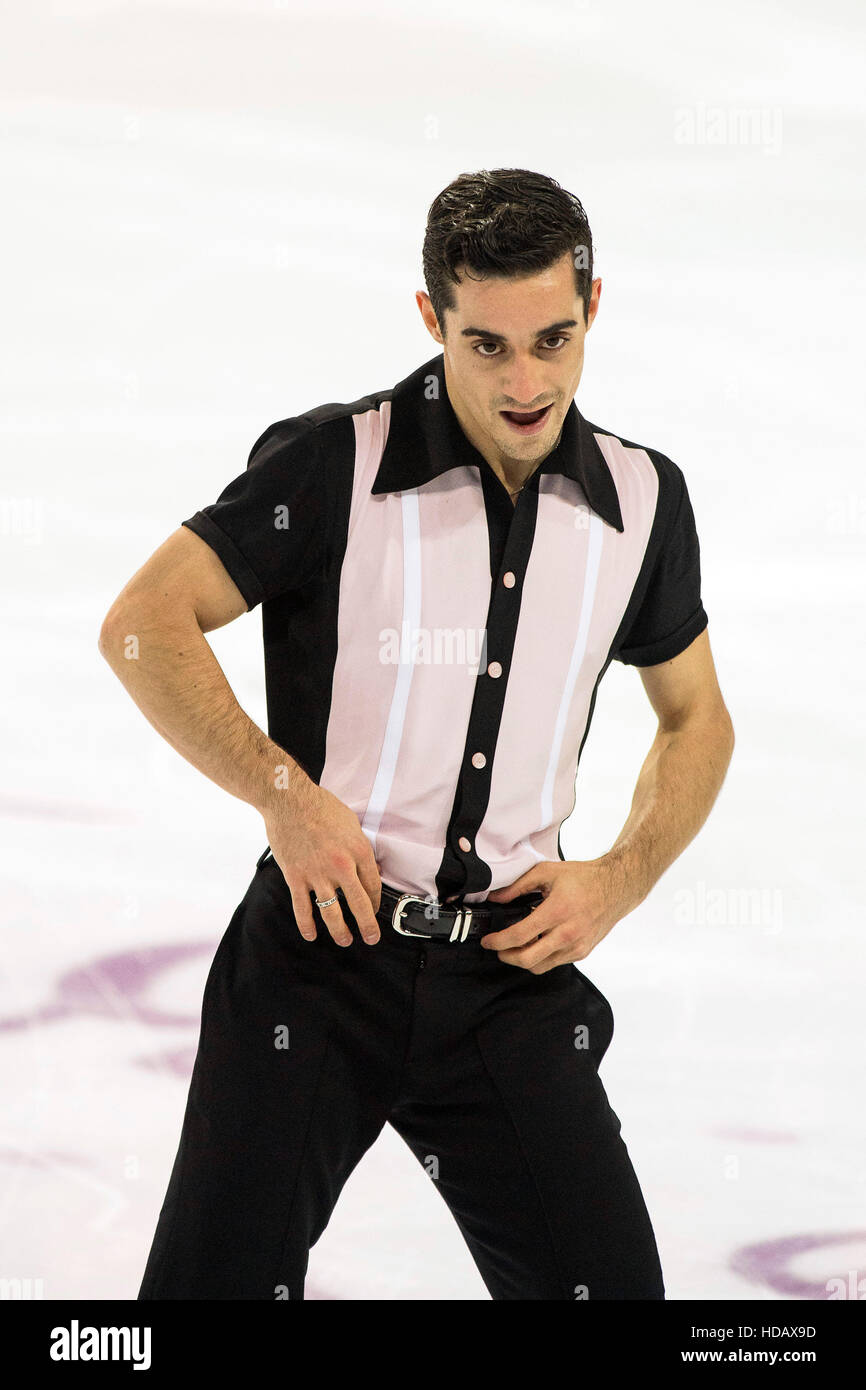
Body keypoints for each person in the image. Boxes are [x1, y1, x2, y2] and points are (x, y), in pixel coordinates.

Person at [99, 167, 735, 1300]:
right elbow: (143, 625)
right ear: (430, 317)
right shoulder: (333, 465)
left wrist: (619, 878)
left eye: (551, 336)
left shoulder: (642, 503)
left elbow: (694, 719)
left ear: (593, 308)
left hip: (507, 978)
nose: (526, 380)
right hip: (314, 963)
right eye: (485, 344)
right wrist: (282, 795)